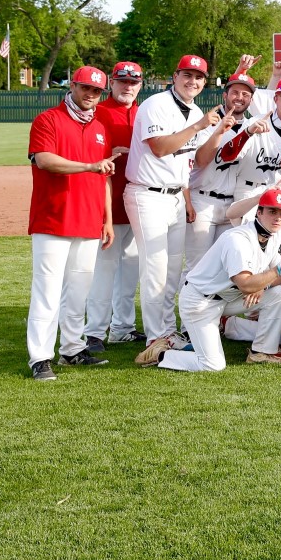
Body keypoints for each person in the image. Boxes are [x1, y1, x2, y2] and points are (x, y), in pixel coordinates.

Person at [142, 187, 281, 371]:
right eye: (272, 211)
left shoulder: (275, 237)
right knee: (212, 365)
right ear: (259, 212)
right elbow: (246, 283)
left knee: (276, 294)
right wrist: (276, 271)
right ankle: (162, 352)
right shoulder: (238, 239)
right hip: (200, 303)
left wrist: (263, 285)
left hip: (227, 299)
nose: (277, 218)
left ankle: (261, 352)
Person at [124, 53, 219, 355]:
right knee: (155, 268)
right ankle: (156, 336)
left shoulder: (193, 111)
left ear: (204, 82)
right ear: (175, 77)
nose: (193, 81)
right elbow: (161, 148)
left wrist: (187, 198)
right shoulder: (156, 105)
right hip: (147, 194)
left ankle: (166, 330)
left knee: (172, 271)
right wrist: (199, 126)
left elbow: (191, 162)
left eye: (199, 77)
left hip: (176, 196)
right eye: (187, 75)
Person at [26, 66, 118, 380]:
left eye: (96, 91)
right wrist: (89, 165)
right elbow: (44, 160)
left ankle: (72, 349)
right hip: (53, 218)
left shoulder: (100, 125)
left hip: (89, 219)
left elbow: (104, 174)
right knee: (47, 291)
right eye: (85, 89)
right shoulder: (48, 119)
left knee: (79, 291)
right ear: (73, 86)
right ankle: (39, 357)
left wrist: (106, 218)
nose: (90, 95)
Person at [83, 60, 144, 353]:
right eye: (122, 81)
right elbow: (85, 152)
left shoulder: (145, 112)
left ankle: (122, 328)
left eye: (133, 82)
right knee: (104, 270)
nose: (127, 86)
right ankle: (94, 331)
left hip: (139, 202)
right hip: (107, 201)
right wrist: (108, 153)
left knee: (130, 270)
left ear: (140, 85)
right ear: (112, 83)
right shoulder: (99, 112)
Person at [181, 72, 256, 284]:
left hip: (232, 204)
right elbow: (201, 160)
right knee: (197, 267)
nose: (239, 97)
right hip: (203, 200)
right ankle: (189, 317)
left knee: (224, 269)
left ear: (251, 99)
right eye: (234, 92)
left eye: (245, 94)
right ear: (225, 95)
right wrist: (220, 131)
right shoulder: (209, 121)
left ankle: (216, 317)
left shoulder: (252, 125)